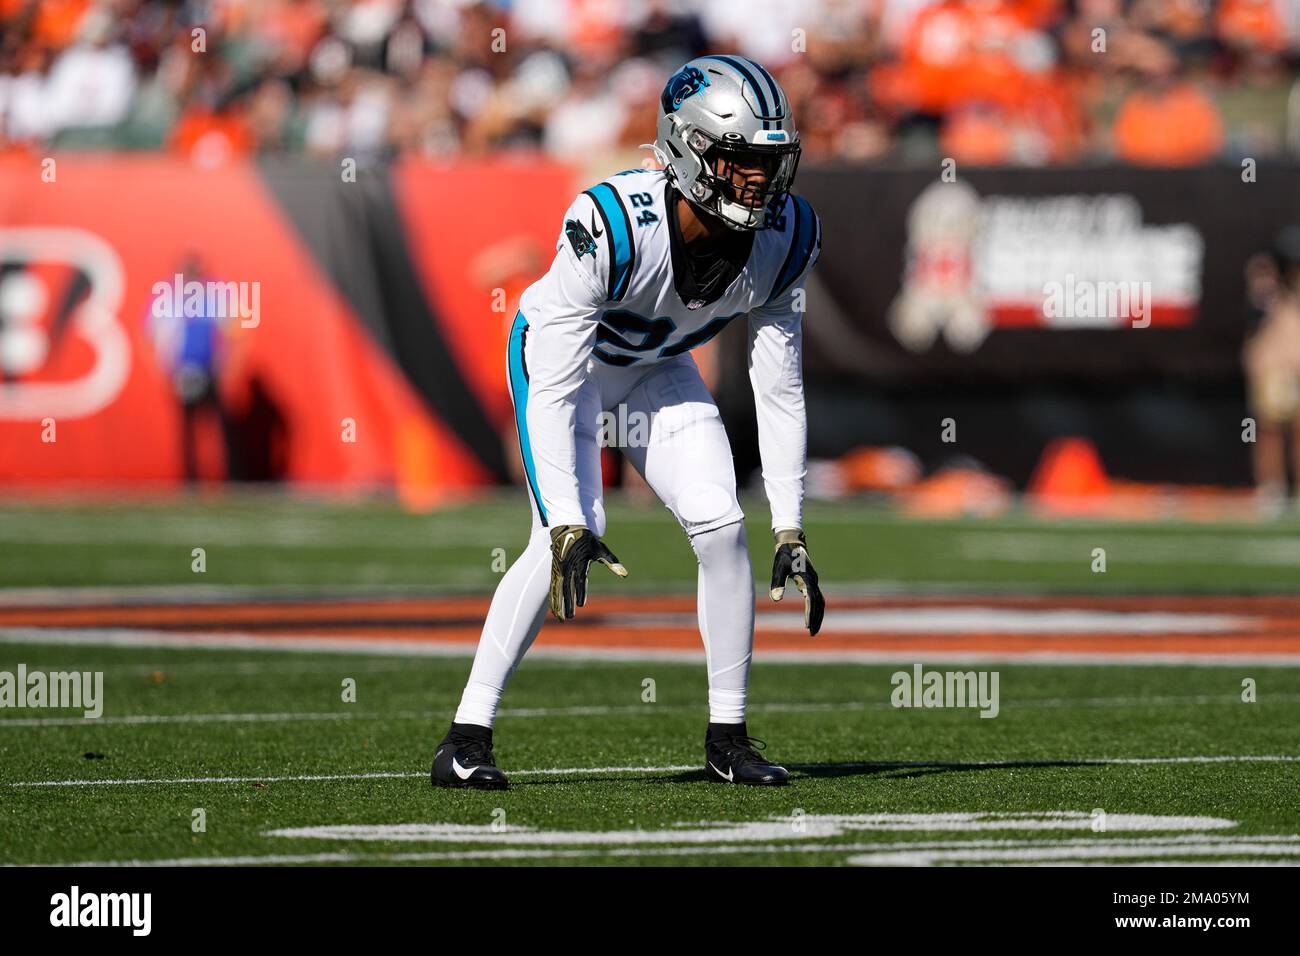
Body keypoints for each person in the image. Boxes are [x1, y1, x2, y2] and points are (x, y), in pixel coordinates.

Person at [431, 55, 825, 790]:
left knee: (722, 524)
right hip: (569, 367)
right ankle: (465, 739)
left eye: (769, 162)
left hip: (655, 369)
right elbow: (551, 381)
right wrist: (563, 519)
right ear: (687, 149)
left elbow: (779, 388)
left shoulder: (784, 238)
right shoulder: (612, 222)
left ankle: (727, 739)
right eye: (739, 161)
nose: (759, 182)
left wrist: (791, 526)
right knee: (557, 539)